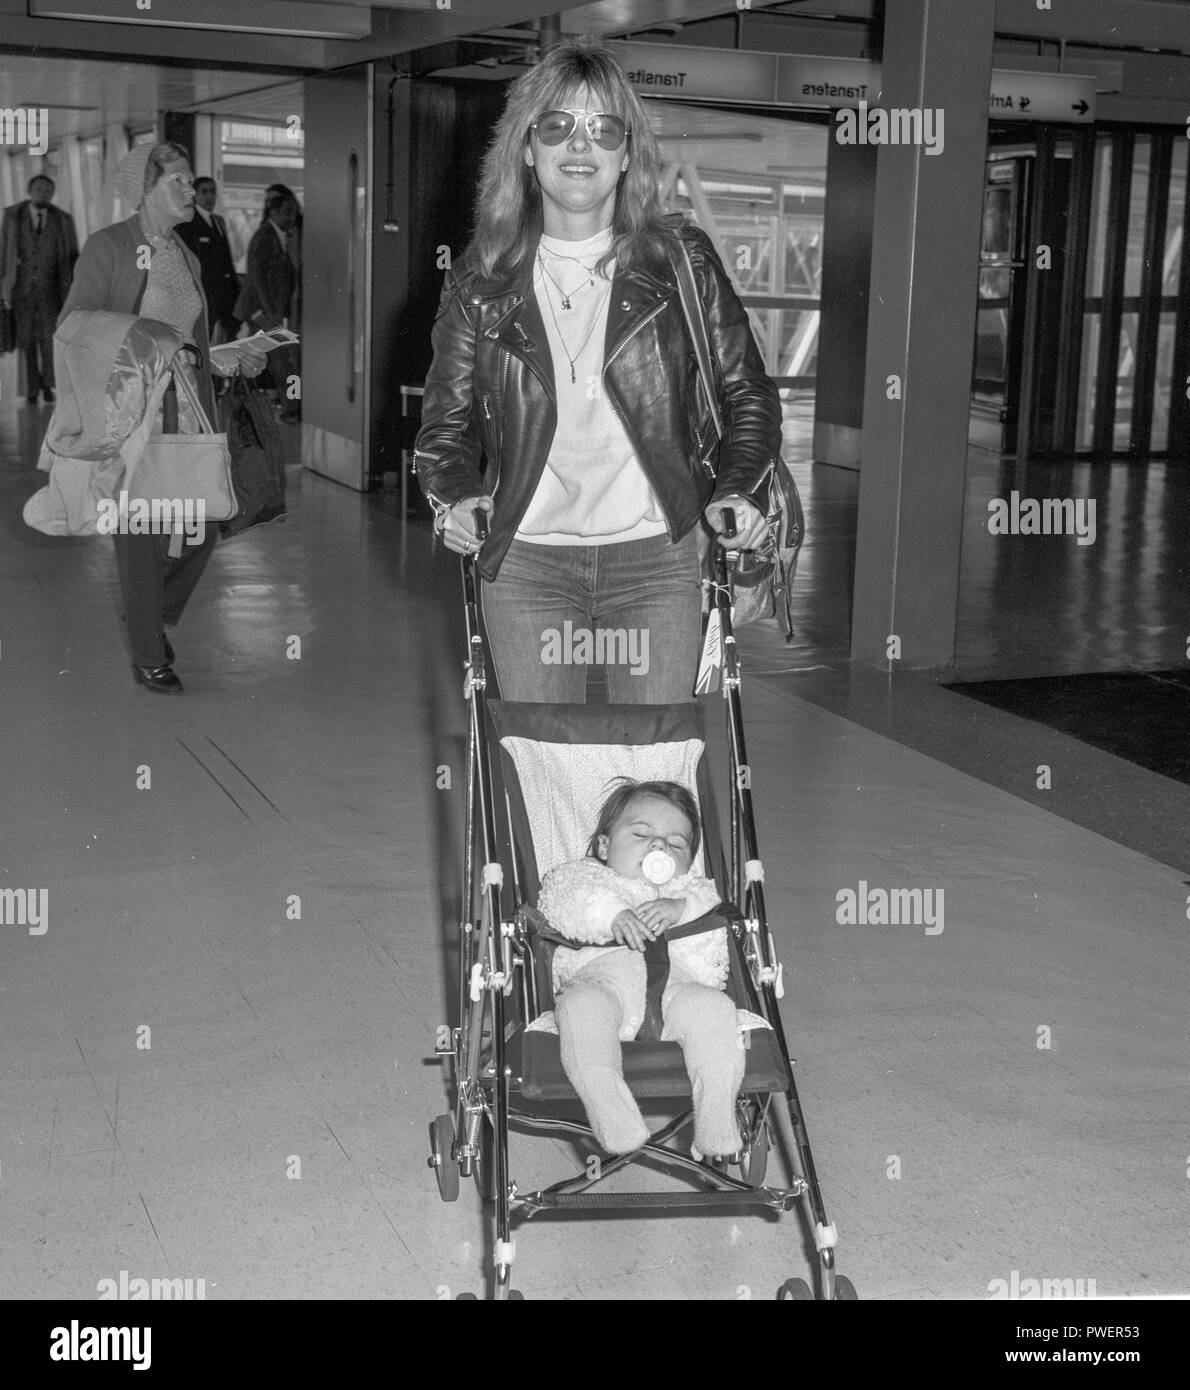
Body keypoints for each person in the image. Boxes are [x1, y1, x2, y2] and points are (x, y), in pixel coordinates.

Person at [414, 36, 781, 704]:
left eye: (603, 129)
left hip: (658, 560)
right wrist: (456, 497)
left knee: (651, 769)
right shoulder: (479, 282)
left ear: (626, 154)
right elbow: (445, 431)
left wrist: (737, 490)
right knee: (544, 775)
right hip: (525, 564)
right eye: (557, 126)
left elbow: (747, 392)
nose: (579, 146)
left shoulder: (681, 261)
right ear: (527, 149)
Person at [58, 142, 266, 694]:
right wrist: (154, 344)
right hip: (132, 411)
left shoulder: (184, 253)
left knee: (201, 524)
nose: (188, 189)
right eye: (176, 180)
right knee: (142, 535)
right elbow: (75, 325)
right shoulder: (110, 247)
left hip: (189, 407)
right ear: (144, 187)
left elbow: (190, 340)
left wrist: (227, 357)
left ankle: (149, 612)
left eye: (190, 180)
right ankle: (151, 652)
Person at [537, 779, 744, 1157]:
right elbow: (562, 896)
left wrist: (680, 907)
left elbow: (710, 900)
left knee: (715, 1011)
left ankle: (717, 1120)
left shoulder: (687, 888)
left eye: (676, 842)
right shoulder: (587, 876)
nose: (659, 846)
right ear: (604, 845)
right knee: (580, 1009)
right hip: (602, 981)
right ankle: (612, 1115)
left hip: (675, 988)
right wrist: (610, 913)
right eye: (642, 834)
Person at [0, 175, 78, 405]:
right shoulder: (13, 217)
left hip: (52, 290)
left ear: (52, 194)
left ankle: (48, 385)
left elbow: (72, 255)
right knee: (26, 341)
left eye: (47, 190)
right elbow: (4, 252)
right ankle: (31, 390)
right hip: (21, 289)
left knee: (49, 339)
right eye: (38, 189)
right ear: (29, 190)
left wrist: (71, 289)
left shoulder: (63, 219)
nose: (42, 193)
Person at [243, 186, 301, 422]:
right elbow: (257, 278)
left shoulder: (279, 236)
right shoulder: (265, 236)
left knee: (276, 361)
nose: (292, 217)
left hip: (269, 311)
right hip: (264, 312)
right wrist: (268, 313)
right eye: (287, 212)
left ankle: (290, 407)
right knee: (283, 362)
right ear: (274, 212)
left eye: (294, 212)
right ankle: (292, 409)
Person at [174, 176, 240, 345]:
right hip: (204, 293)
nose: (210, 196)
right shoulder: (187, 222)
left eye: (213, 191)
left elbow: (226, 259)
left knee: (228, 342)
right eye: (204, 192)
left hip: (225, 295)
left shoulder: (218, 221)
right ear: (195, 195)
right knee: (202, 340)